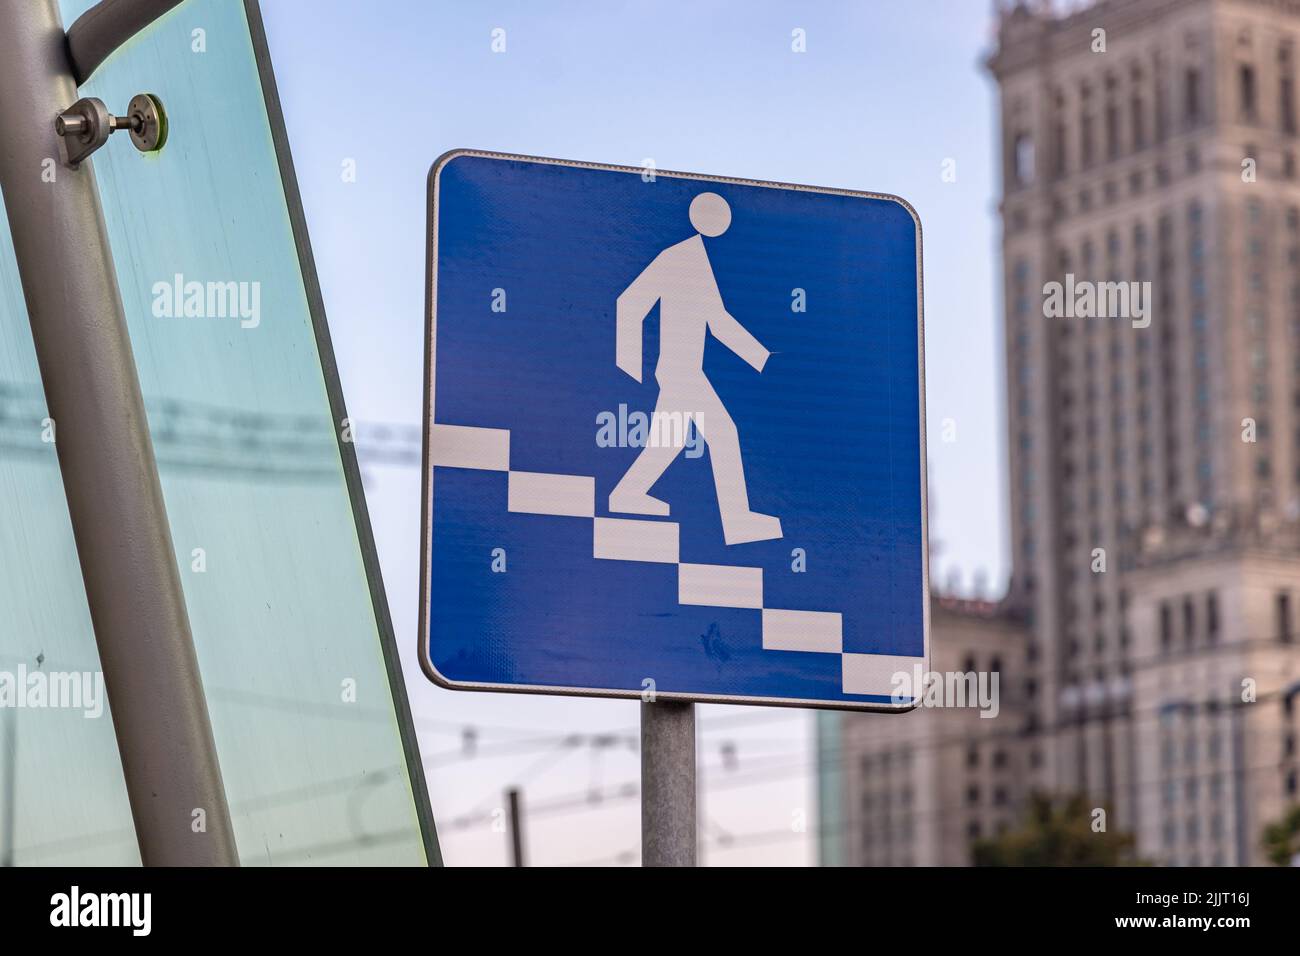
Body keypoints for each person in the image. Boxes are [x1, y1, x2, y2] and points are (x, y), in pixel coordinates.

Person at [609, 191, 782, 545]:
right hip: (679, 371)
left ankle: (627, 494)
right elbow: (630, 302)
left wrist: (762, 357)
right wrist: (629, 366)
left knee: (669, 442)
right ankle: (737, 522)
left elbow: (716, 321)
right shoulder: (679, 257)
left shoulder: (699, 259)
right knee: (723, 434)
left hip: (684, 370)